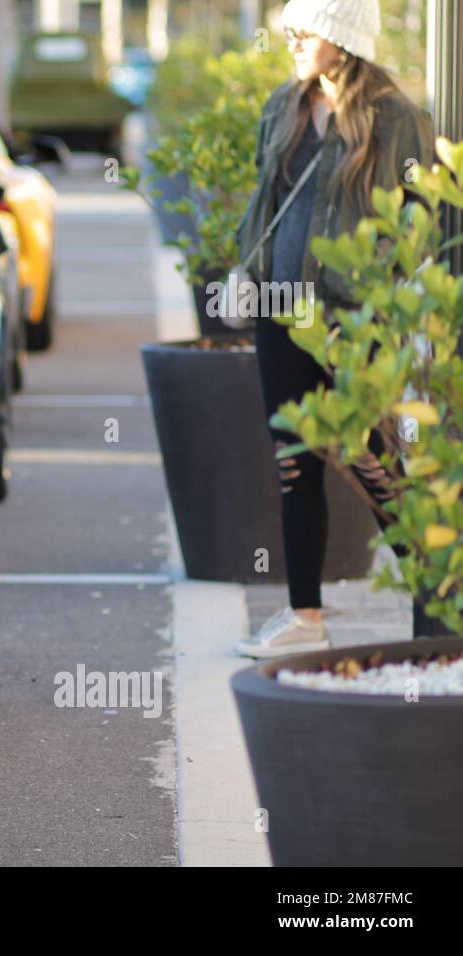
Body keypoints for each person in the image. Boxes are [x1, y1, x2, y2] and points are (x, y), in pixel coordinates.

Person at [232, 0, 437, 658]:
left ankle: (438, 602)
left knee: (371, 457)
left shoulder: (395, 119)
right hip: (279, 311)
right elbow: (265, 200)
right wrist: (247, 269)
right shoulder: (283, 107)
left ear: (343, 38)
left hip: (352, 318)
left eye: (305, 28)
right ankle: (304, 615)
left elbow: (421, 218)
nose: (291, 38)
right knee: (294, 462)